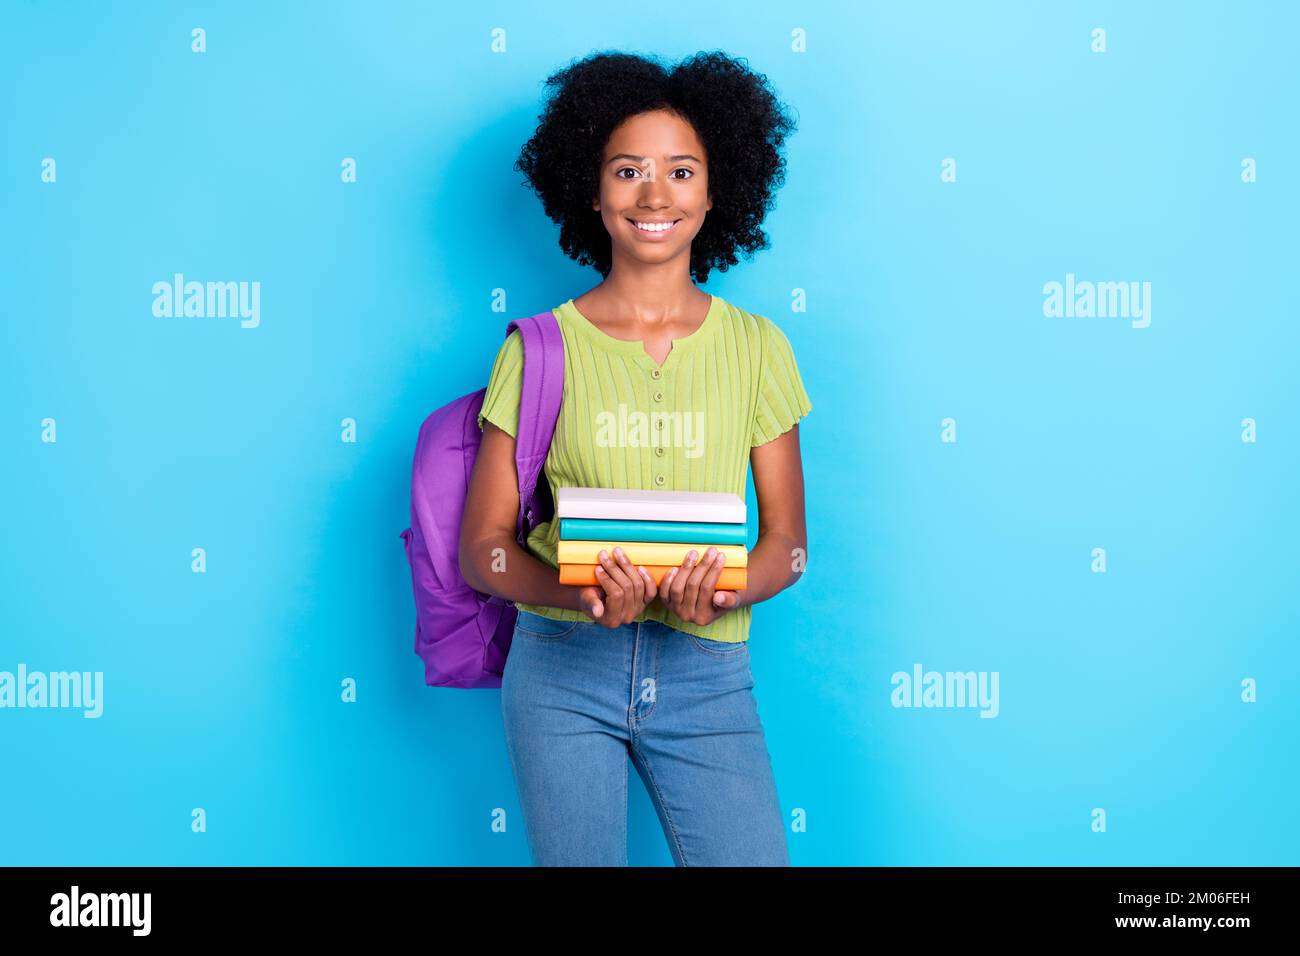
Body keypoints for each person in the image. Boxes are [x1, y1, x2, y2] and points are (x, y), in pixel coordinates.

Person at [458, 50, 811, 866]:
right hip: (559, 675)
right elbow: (482, 549)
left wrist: (727, 585)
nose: (655, 196)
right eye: (628, 171)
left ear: (717, 191)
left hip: (708, 675)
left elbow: (790, 546)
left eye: (681, 171)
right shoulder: (538, 350)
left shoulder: (759, 349)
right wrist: (570, 595)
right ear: (591, 188)